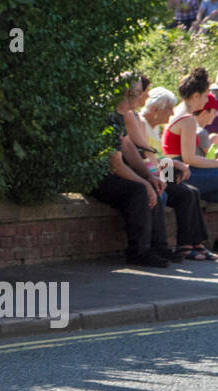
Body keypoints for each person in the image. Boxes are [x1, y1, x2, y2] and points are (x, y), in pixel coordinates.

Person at [90, 75, 173, 267]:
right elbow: (117, 163)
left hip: (138, 169)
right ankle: (139, 252)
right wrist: (146, 182)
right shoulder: (112, 117)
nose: (141, 97)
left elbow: (130, 146)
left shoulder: (123, 117)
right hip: (99, 176)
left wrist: (149, 176)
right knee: (140, 191)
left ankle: (160, 246)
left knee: (160, 186)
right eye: (137, 93)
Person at [138, 86, 216, 259]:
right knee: (186, 193)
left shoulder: (155, 127)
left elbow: (157, 157)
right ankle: (185, 246)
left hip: (160, 171)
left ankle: (192, 244)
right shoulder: (142, 124)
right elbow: (147, 158)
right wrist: (175, 164)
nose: (171, 113)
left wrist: (174, 165)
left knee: (191, 192)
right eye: (168, 109)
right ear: (155, 109)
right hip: (149, 173)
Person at [162, 69, 218, 200]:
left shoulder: (177, 110)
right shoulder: (188, 120)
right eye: (205, 96)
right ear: (196, 96)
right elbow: (189, 159)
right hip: (177, 174)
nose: (206, 101)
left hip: (170, 171)